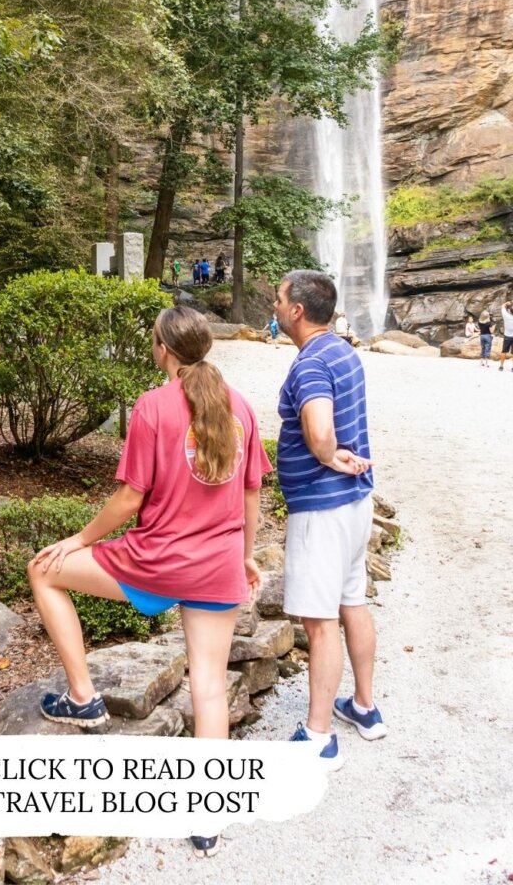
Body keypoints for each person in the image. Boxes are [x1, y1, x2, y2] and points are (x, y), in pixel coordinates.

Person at [28, 305, 271, 858]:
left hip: (155, 563)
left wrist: (81, 540)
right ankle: (209, 818)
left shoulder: (153, 406)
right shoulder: (242, 408)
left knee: (43, 571)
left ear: (162, 348)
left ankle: (83, 697)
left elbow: (131, 497)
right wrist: (246, 555)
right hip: (216, 567)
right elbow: (252, 492)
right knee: (208, 685)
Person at [273, 270, 385, 770]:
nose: (274, 306)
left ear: (297, 310)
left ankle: (318, 736)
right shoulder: (342, 350)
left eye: (278, 298)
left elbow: (319, 427)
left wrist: (327, 454)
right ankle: (364, 707)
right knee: (352, 602)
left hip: (323, 507)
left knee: (320, 625)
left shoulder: (311, 362)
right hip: (356, 504)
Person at [498, 300, 513, 371]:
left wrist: (508, 302)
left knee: (504, 351)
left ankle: (501, 366)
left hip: (507, 336)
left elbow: (502, 306)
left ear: (509, 311)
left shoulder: (506, 315)